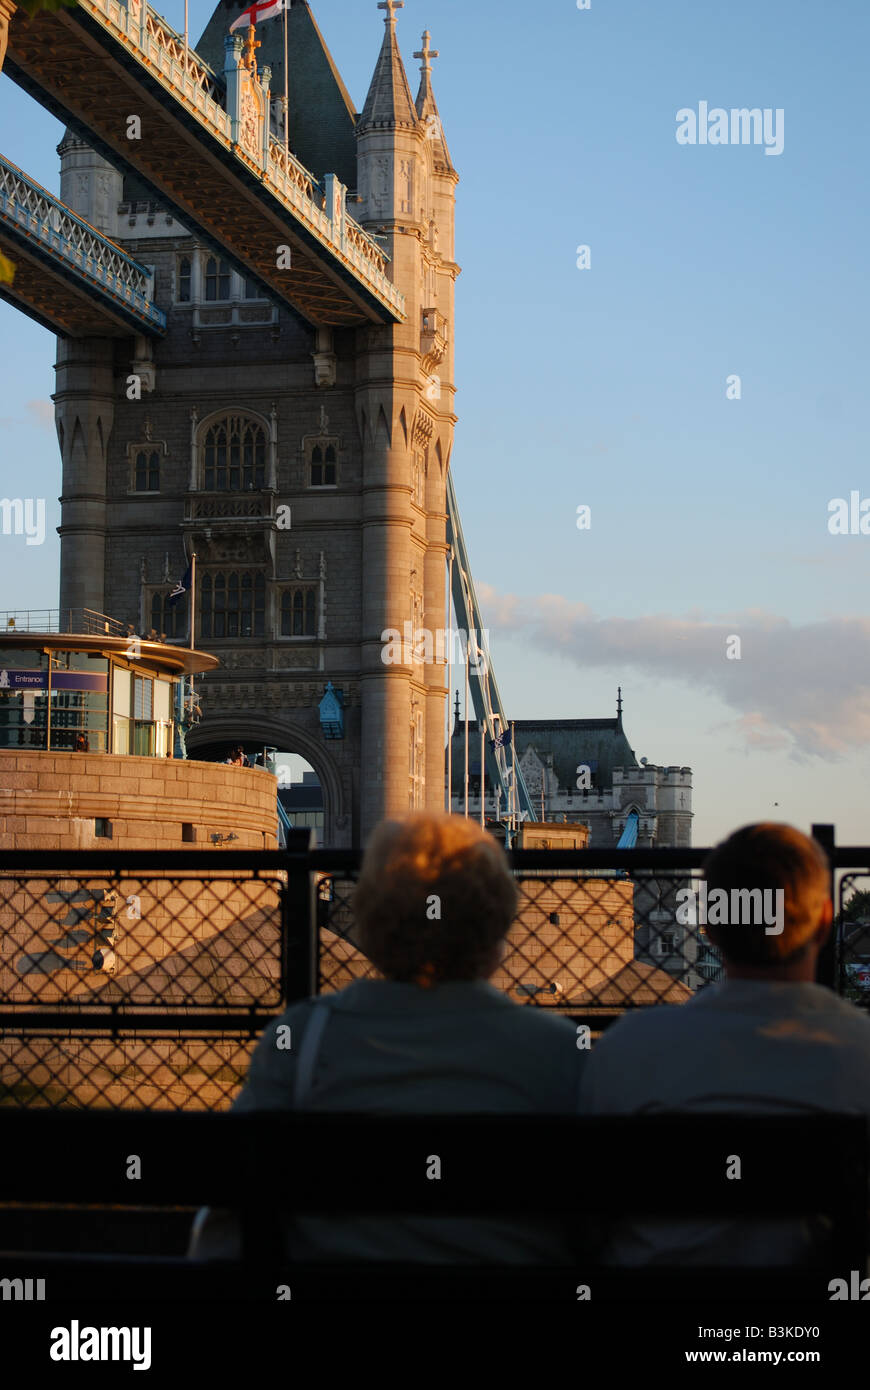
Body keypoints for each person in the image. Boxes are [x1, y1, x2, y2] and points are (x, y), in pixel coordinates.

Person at [189, 813, 584, 1264]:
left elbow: (226, 1229)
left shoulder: (300, 1041)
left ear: (371, 926)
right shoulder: (560, 1052)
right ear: (497, 931)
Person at [579, 822, 870, 1267]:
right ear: (824, 922)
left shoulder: (627, 1049)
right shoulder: (860, 1051)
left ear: (710, 926)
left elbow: (589, 1223)